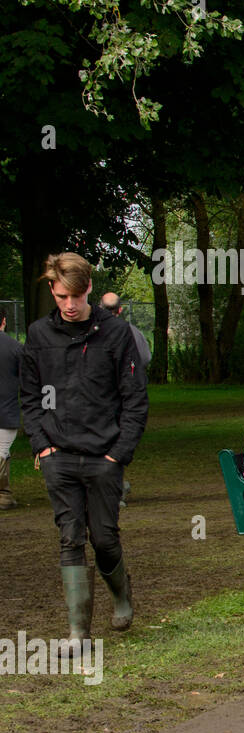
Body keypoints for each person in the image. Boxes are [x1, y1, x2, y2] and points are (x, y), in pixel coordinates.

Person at [20, 252, 148, 650]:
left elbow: (135, 400)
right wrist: (42, 447)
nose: (70, 305)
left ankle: (121, 594)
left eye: (76, 296)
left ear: (89, 287)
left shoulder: (117, 334)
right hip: (58, 456)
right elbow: (30, 397)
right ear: (52, 292)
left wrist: (118, 455)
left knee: (104, 538)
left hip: (105, 458)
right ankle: (78, 633)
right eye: (61, 297)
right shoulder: (39, 336)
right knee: (70, 538)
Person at [99, 292, 150, 508]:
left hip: (100, 399)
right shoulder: (132, 332)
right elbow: (145, 358)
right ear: (120, 310)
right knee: (118, 441)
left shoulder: (91, 332)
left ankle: (111, 489)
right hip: (125, 398)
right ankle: (114, 488)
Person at [0, 313, 20, 510]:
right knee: (2, 454)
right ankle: (3, 495)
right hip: (6, 413)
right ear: (4, 321)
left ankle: (4, 494)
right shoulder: (15, 347)